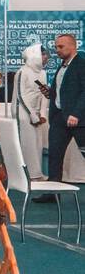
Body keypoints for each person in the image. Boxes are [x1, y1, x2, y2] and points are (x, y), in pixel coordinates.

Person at [45, 33, 85, 187]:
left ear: (73, 46)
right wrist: (50, 93)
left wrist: (76, 113)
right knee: (55, 156)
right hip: (59, 118)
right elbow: (65, 91)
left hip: (78, 119)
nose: (57, 50)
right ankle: (53, 191)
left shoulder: (81, 64)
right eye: (56, 47)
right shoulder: (62, 66)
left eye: (61, 47)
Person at [14, 43, 48, 180]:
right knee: (28, 142)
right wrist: (32, 114)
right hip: (23, 112)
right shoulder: (22, 72)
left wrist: (43, 114)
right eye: (43, 55)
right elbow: (20, 95)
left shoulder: (43, 73)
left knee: (38, 143)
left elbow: (44, 94)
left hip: (37, 112)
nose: (46, 58)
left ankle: (37, 172)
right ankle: (29, 174)